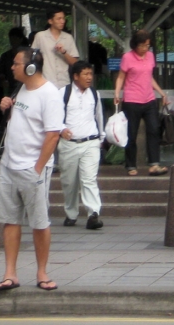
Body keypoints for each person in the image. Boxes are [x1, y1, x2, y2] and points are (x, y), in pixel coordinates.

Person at [0, 48, 63, 292]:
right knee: (10, 221)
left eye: (16, 64)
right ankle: (10, 273)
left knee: (39, 222)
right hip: (10, 165)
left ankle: (42, 272)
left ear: (30, 67)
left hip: (32, 168)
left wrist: (38, 169)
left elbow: (53, 135)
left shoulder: (49, 94)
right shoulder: (21, 88)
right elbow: (19, 120)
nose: (12, 67)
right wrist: (6, 107)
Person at [114, 29, 169, 176]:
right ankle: (131, 165)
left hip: (149, 99)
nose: (146, 49)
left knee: (154, 130)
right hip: (132, 100)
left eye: (148, 46)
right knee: (131, 133)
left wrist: (161, 93)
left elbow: (149, 77)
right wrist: (117, 93)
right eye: (143, 46)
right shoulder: (127, 57)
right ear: (135, 45)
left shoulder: (150, 56)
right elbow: (121, 77)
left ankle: (154, 164)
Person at [58, 60, 105, 230]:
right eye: (85, 74)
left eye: (90, 74)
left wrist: (101, 137)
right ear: (75, 76)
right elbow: (54, 116)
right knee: (69, 182)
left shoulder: (94, 93)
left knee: (89, 179)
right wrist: (61, 129)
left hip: (90, 142)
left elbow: (99, 116)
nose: (89, 77)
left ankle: (93, 213)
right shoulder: (63, 93)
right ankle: (71, 213)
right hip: (69, 144)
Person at [30, 6, 79, 88]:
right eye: (59, 19)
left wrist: (64, 52)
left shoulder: (68, 37)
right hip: (45, 83)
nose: (62, 21)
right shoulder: (40, 36)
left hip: (64, 83)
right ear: (50, 21)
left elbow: (74, 62)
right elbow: (32, 58)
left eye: (63, 18)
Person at [0, 27, 27, 95]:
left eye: (15, 38)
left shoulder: (27, 55)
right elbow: (0, 72)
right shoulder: (5, 56)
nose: (13, 41)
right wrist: (3, 80)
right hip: (9, 88)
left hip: (25, 87)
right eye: (11, 38)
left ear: (21, 39)